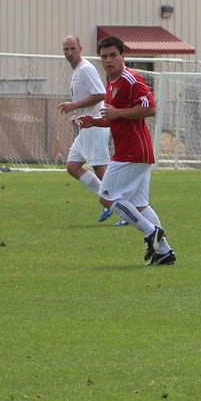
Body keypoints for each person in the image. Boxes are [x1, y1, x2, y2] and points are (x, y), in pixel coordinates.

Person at [75, 36, 176, 265]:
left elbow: (150, 108)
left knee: (107, 197)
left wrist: (118, 113)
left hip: (132, 151)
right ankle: (164, 253)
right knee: (139, 205)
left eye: (113, 55)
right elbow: (114, 119)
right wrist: (94, 121)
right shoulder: (111, 83)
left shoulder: (130, 79)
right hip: (132, 150)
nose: (108, 60)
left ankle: (152, 233)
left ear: (123, 56)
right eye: (104, 56)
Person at [57, 35, 113, 223]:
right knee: (73, 167)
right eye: (66, 49)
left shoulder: (86, 69)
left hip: (95, 125)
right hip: (85, 126)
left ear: (80, 49)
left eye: (73, 48)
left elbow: (100, 94)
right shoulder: (77, 71)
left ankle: (122, 208)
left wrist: (74, 106)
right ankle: (110, 201)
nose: (69, 53)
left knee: (99, 167)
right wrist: (77, 114)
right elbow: (87, 98)